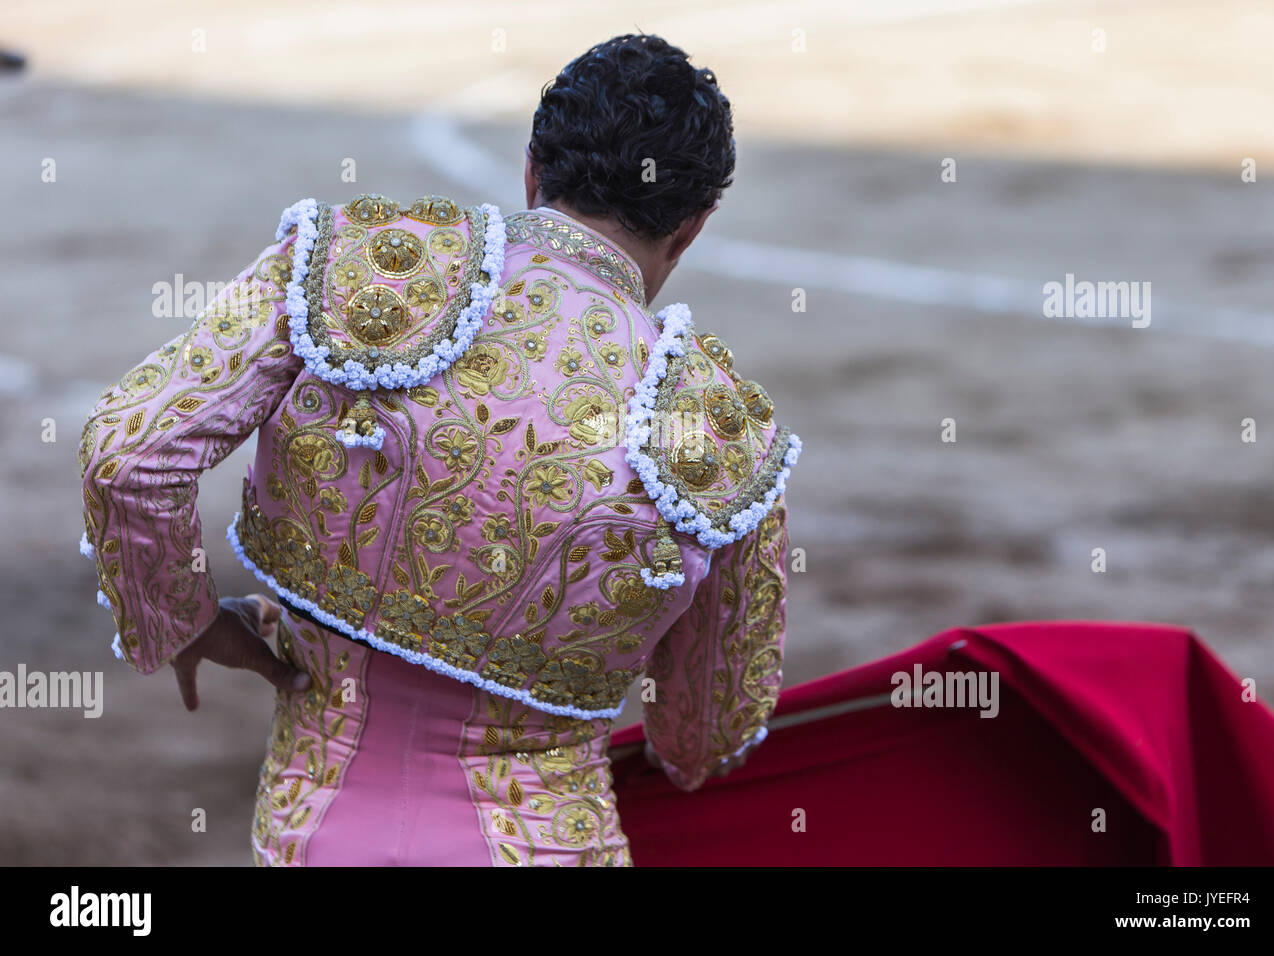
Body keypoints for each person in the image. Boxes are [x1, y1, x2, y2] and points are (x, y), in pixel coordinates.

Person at [78, 33, 801, 866]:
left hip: (315, 832)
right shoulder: (722, 432)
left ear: (533, 170)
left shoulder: (360, 265)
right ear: (692, 227)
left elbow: (126, 457)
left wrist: (183, 620)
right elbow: (701, 739)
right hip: (542, 842)